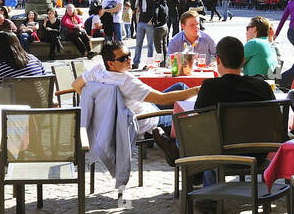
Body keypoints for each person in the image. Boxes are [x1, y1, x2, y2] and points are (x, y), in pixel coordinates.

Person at [70, 40, 200, 155]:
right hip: (146, 119)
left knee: (181, 86)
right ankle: (174, 147)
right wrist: (197, 90)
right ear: (110, 63)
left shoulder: (97, 70)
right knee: (190, 118)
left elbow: (76, 85)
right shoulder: (126, 82)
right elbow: (163, 99)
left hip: (143, 108)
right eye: (123, 59)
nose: (129, 60)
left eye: (129, 55)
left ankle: (172, 139)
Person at [194, 36, 276, 110]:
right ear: (243, 59)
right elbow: (277, 117)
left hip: (220, 127)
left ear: (218, 60)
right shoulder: (262, 86)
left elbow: (198, 117)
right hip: (256, 126)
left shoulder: (209, 88)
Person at [132, 0, 165, 68]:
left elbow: (155, 9)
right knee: (138, 44)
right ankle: (136, 62)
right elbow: (138, 7)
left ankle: (149, 63)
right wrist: (137, 17)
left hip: (149, 24)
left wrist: (152, 20)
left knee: (150, 45)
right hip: (140, 22)